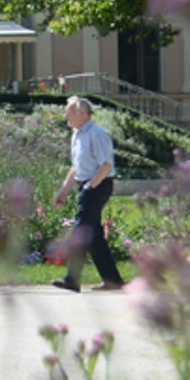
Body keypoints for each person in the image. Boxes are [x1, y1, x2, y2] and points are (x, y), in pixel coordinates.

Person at [51, 96, 126, 293]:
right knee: (93, 236)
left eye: (69, 111)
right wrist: (63, 191)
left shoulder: (97, 134)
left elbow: (106, 164)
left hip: (98, 185)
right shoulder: (77, 134)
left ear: (82, 113)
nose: (66, 115)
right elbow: (76, 168)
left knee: (81, 231)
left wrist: (90, 187)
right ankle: (113, 280)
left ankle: (72, 279)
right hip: (87, 184)